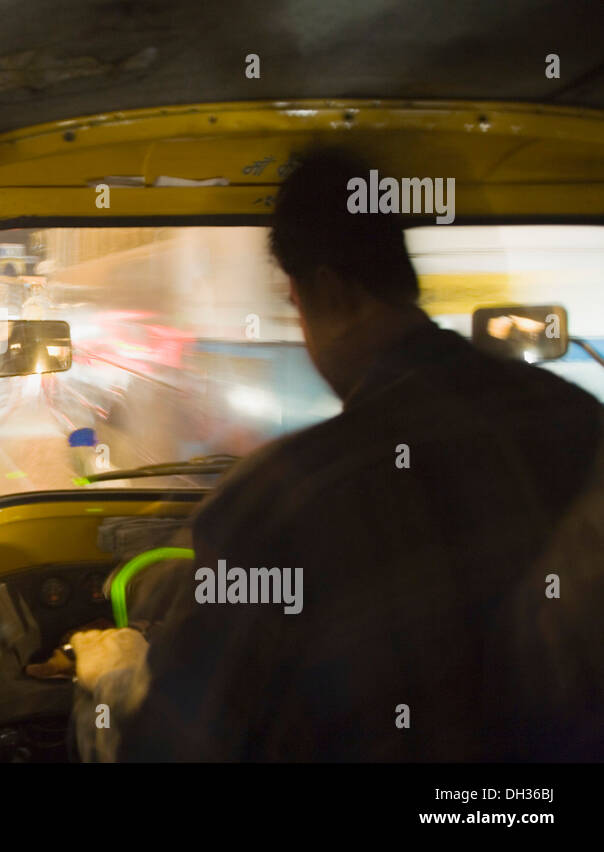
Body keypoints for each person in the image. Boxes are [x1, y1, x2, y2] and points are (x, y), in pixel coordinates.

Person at [71, 147, 604, 761]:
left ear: (328, 288)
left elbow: (170, 750)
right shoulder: (574, 415)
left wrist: (115, 675)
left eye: (294, 308)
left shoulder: (282, 499)